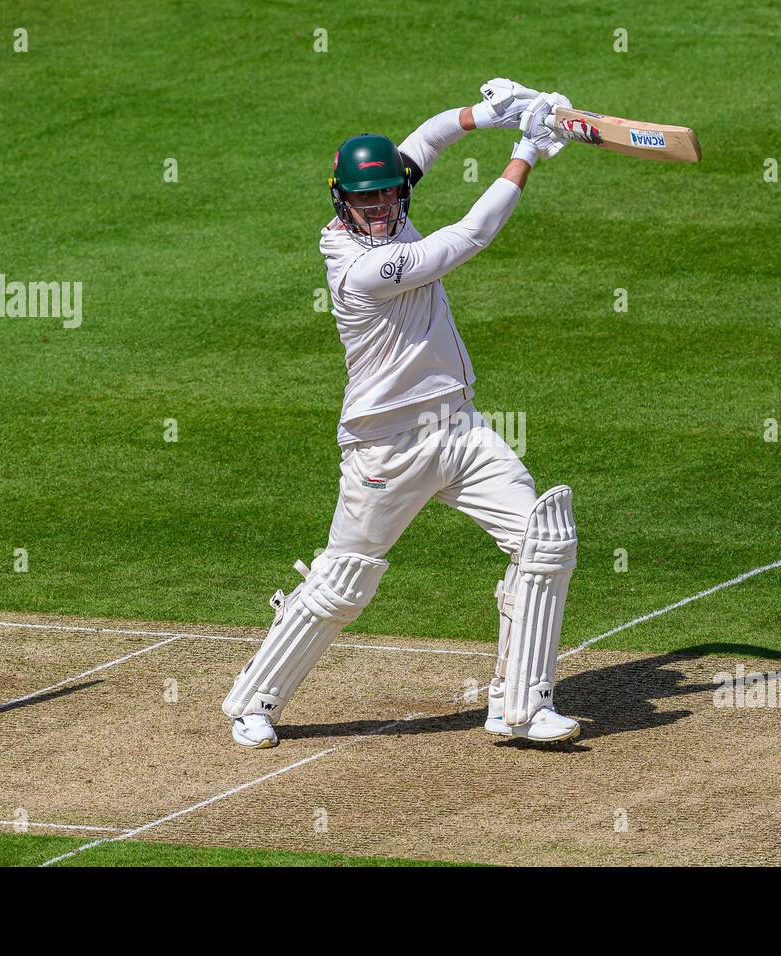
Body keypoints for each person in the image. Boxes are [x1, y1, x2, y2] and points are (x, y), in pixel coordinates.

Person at [223, 80, 580, 748]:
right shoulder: (366, 267)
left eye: (389, 194)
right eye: (367, 199)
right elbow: (470, 237)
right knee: (343, 586)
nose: (381, 206)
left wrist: (486, 115)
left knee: (546, 540)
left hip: (459, 427)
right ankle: (253, 701)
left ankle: (519, 708)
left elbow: (422, 142)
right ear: (343, 205)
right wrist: (526, 150)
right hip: (385, 449)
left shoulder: (390, 201)